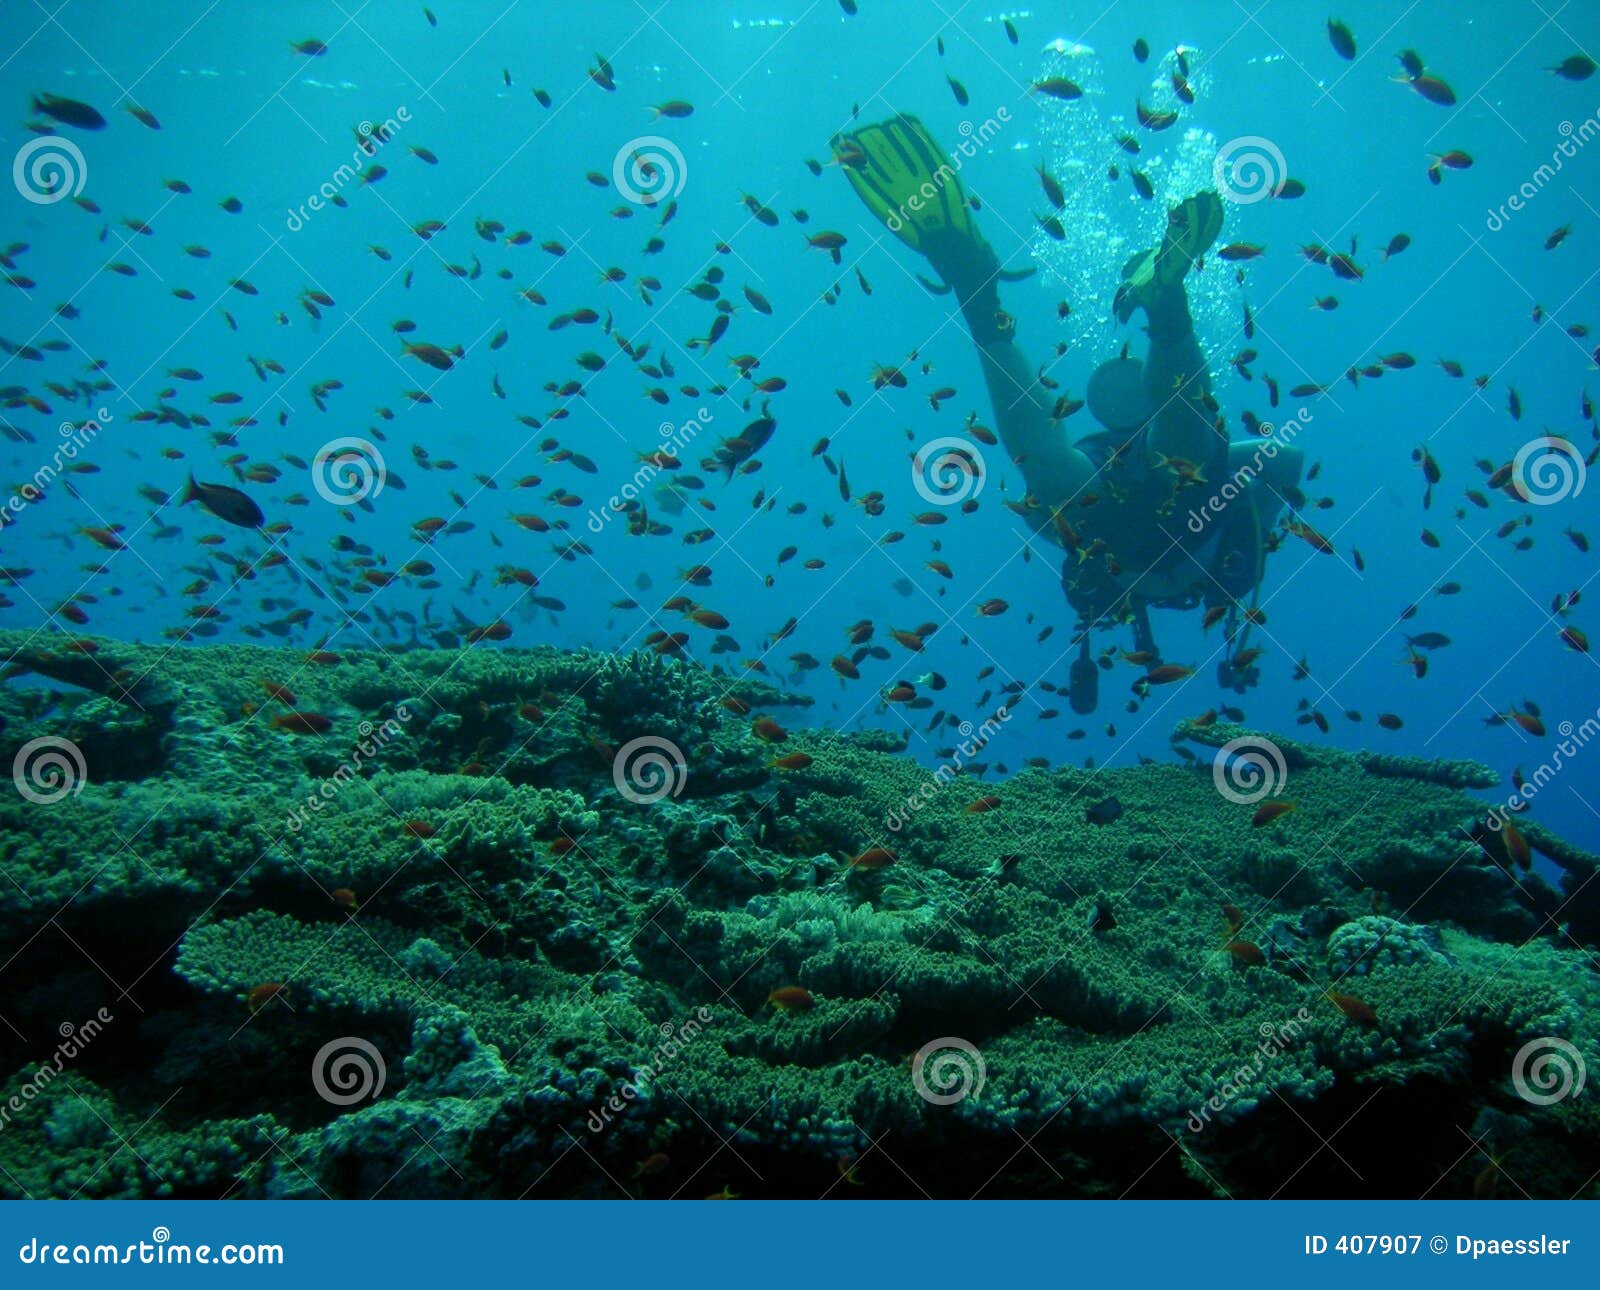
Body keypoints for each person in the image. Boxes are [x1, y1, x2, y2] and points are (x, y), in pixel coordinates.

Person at [831, 114, 1305, 712]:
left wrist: (1052, 508)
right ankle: (1154, 305)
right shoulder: (1222, 561)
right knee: (1174, 459)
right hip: (1160, 501)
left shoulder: (1143, 579)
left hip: (1114, 512)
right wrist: (1248, 486)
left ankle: (990, 289)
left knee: (1077, 469)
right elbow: (1286, 458)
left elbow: (1284, 459)